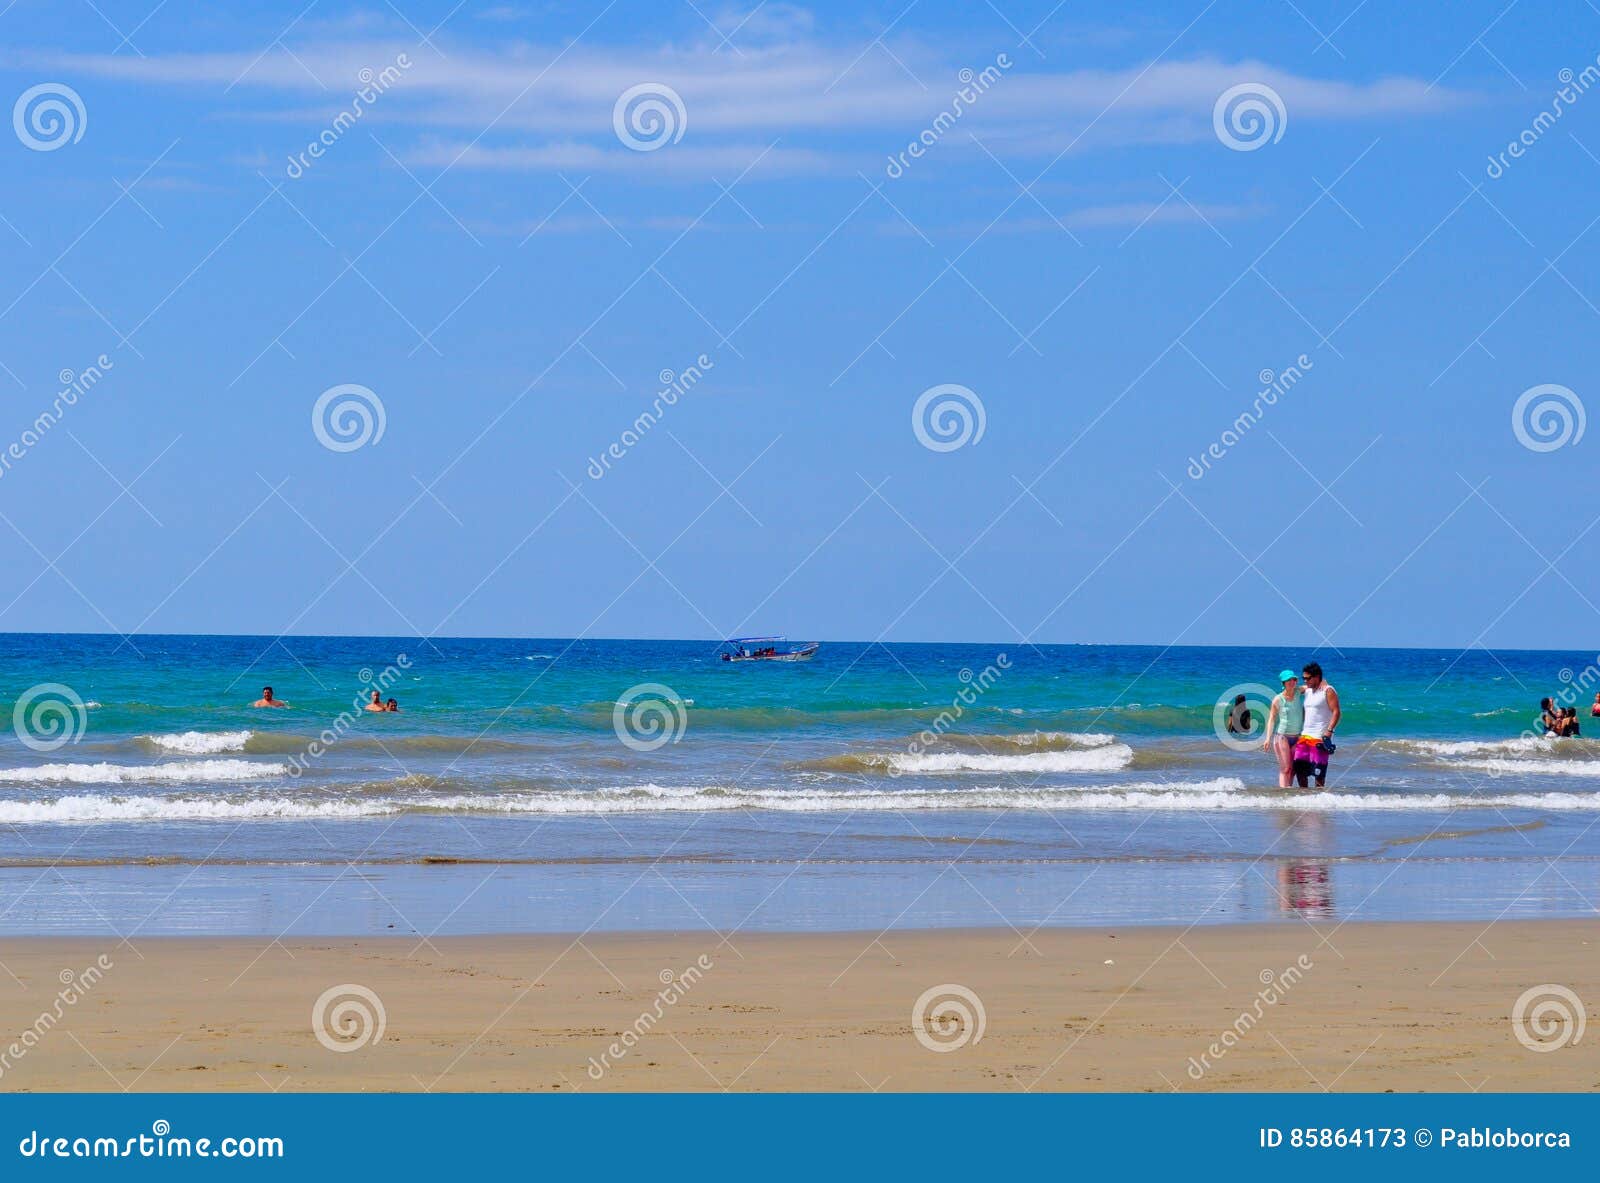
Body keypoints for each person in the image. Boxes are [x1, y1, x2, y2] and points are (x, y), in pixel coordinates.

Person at [1292, 662, 1340, 788]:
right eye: (1304, 678)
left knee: (1318, 773)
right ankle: (1304, 797)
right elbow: (1293, 690)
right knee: (1300, 770)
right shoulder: (1308, 690)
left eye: (1308, 678)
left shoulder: (1328, 690)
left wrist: (1329, 731)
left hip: (1319, 737)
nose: (1305, 681)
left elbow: (1336, 712)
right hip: (1305, 736)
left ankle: (1318, 802)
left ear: (1317, 676)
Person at [1261, 670, 1303, 789]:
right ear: (1283, 682)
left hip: (1297, 737)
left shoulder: (1298, 692)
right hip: (1282, 736)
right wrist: (1267, 739)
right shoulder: (1278, 699)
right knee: (1285, 768)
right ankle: (1283, 792)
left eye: (1294, 679)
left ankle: (1288, 793)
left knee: (1293, 769)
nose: (1292, 682)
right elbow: (1271, 719)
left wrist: (1323, 684)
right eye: (1289, 680)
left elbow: (1312, 685)